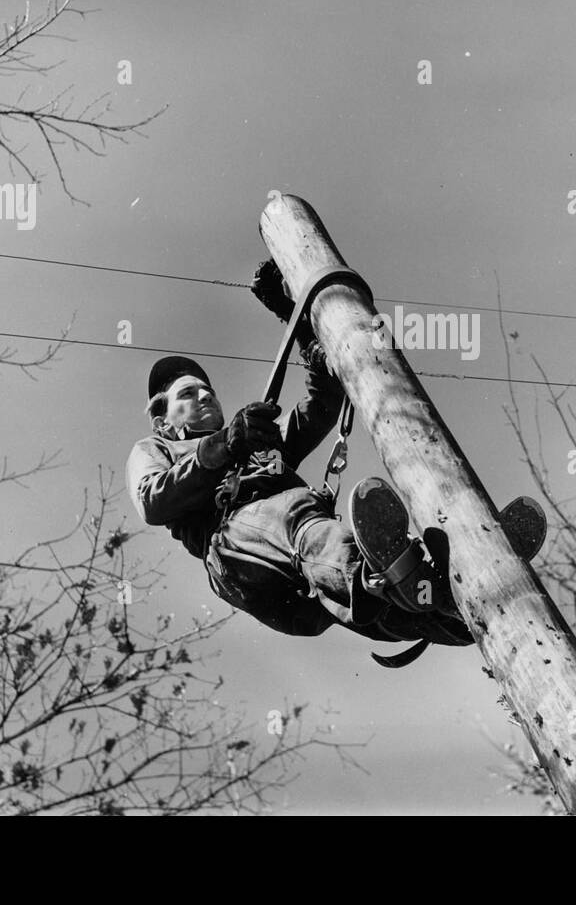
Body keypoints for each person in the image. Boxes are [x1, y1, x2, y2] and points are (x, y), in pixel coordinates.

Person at [125, 261, 473, 666]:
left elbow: (322, 400)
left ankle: (459, 614)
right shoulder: (154, 449)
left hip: (304, 579)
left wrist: (293, 314)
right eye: (188, 394)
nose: (204, 397)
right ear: (161, 420)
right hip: (240, 553)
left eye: (208, 391)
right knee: (299, 514)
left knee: (374, 604)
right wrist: (222, 447)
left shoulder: (254, 440)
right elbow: (152, 500)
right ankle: (383, 574)